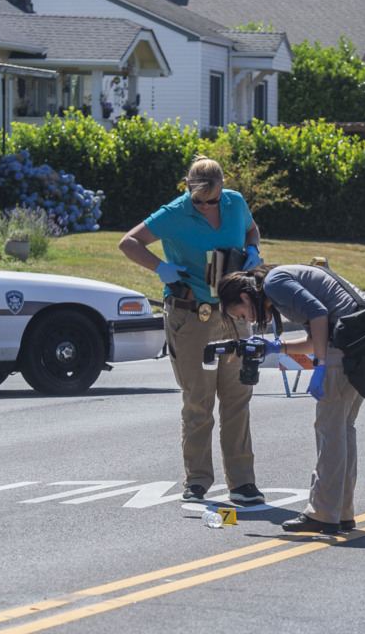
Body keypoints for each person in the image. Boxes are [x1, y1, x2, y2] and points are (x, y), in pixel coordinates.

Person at [119, 156, 265, 506]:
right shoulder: (173, 213)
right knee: (198, 403)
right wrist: (161, 267)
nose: (205, 207)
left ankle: (242, 483)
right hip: (192, 314)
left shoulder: (235, 202)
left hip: (234, 314)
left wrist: (253, 249)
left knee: (237, 400)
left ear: (221, 190)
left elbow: (251, 229)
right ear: (189, 190)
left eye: (212, 201)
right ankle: (197, 480)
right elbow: (129, 242)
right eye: (199, 201)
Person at [217, 264, 365, 535]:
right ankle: (341, 512)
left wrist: (321, 365)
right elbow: (316, 335)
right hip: (362, 339)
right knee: (342, 430)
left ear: (244, 297)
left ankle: (323, 514)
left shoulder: (274, 283)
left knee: (330, 430)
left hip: (346, 345)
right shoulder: (282, 281)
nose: (250, 321)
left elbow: (319, 313)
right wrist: (277, 347)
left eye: (242, 314)